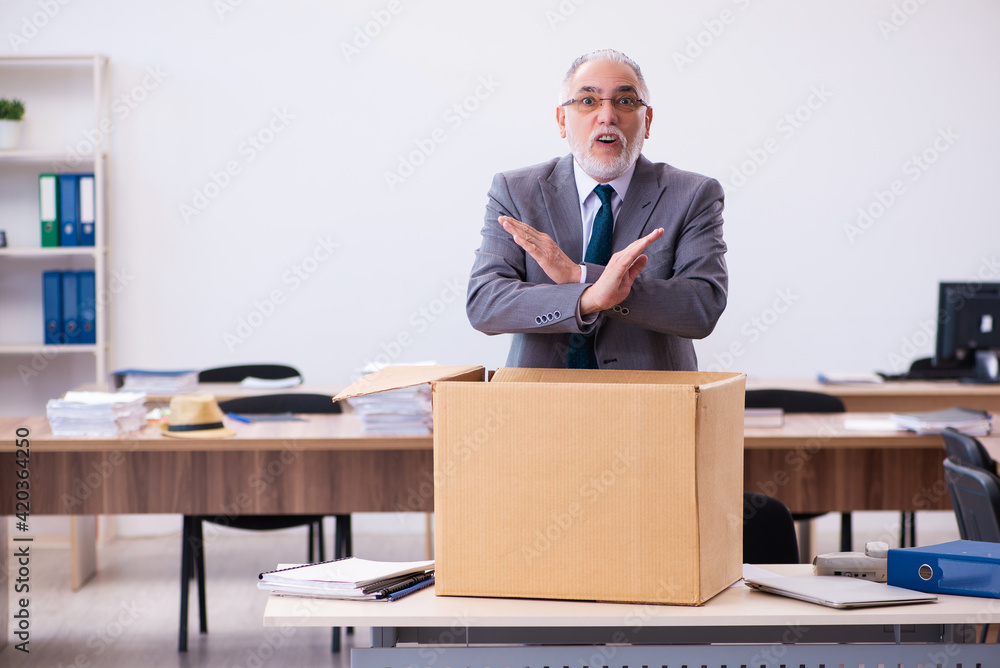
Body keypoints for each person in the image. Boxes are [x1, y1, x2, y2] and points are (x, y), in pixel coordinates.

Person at [466, 49, 728, 370]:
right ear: (562, 121)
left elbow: (702, 307)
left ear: (647, 121)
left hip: (650, 397)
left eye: (625, 101)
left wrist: (580, 276)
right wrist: (588, 298)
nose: (607, 116)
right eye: (588, 101)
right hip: (540, 396)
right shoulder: (515, 190)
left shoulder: (693, 195)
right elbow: (485, 303)